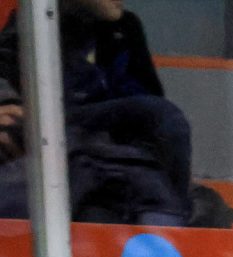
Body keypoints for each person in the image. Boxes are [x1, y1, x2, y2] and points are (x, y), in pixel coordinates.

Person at [0, 0, 192, 226]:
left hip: (109, 153)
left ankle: (173, 220)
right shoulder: (37, 22)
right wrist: (9, 103)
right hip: (60, 137)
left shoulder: (125, 28)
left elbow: (148, 102)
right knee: (160, 116)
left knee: (162, 121)